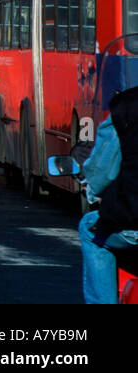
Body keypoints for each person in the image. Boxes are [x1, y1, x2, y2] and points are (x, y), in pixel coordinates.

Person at [78, 81, 138, 303]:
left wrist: (91, 191)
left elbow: (102, 171)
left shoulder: (126, 106)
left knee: (89, 228)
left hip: (133, 224)